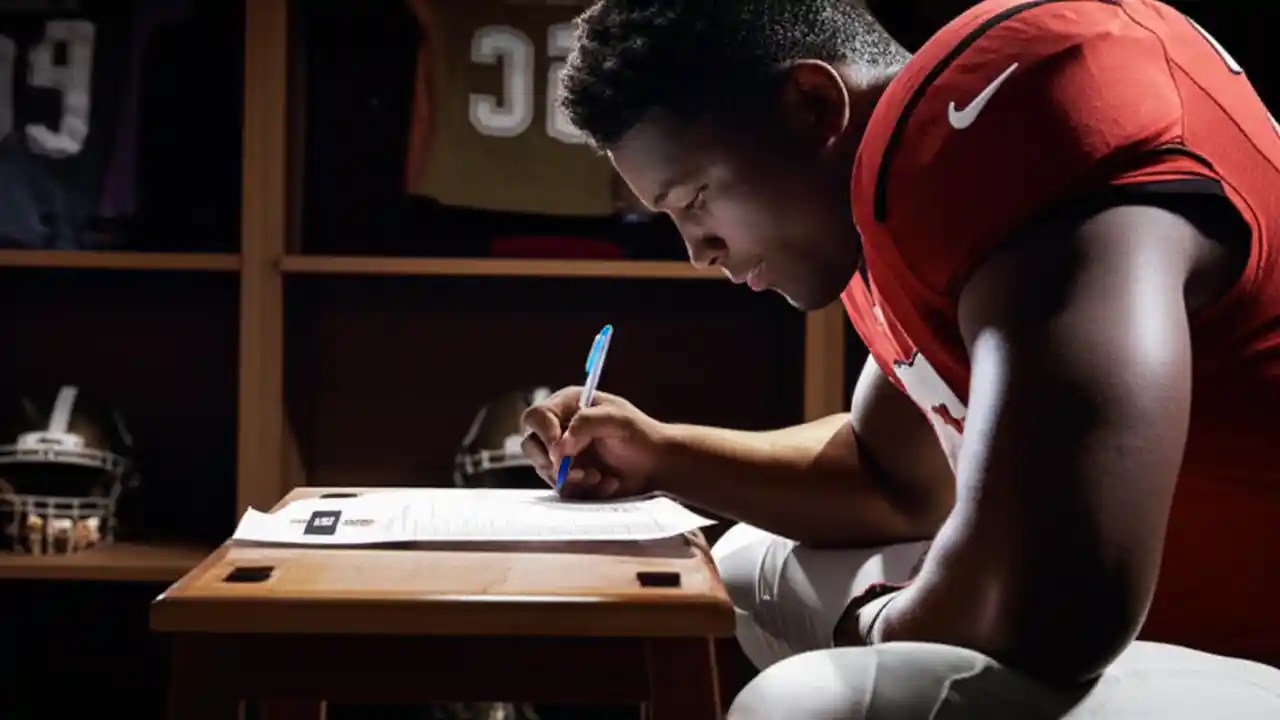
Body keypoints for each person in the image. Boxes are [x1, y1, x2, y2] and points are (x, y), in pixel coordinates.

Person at [519, 0, 1280, 716]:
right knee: (747, 568)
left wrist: (868, 629)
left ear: (814, 106)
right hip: (1154, 625)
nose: (697, 251)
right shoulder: (887, 193)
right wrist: (660, 454)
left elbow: (1058, 603)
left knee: (812, 702)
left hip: (1239, 651)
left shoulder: (1018, 119)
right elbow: (896, 479)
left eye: (697, 200)